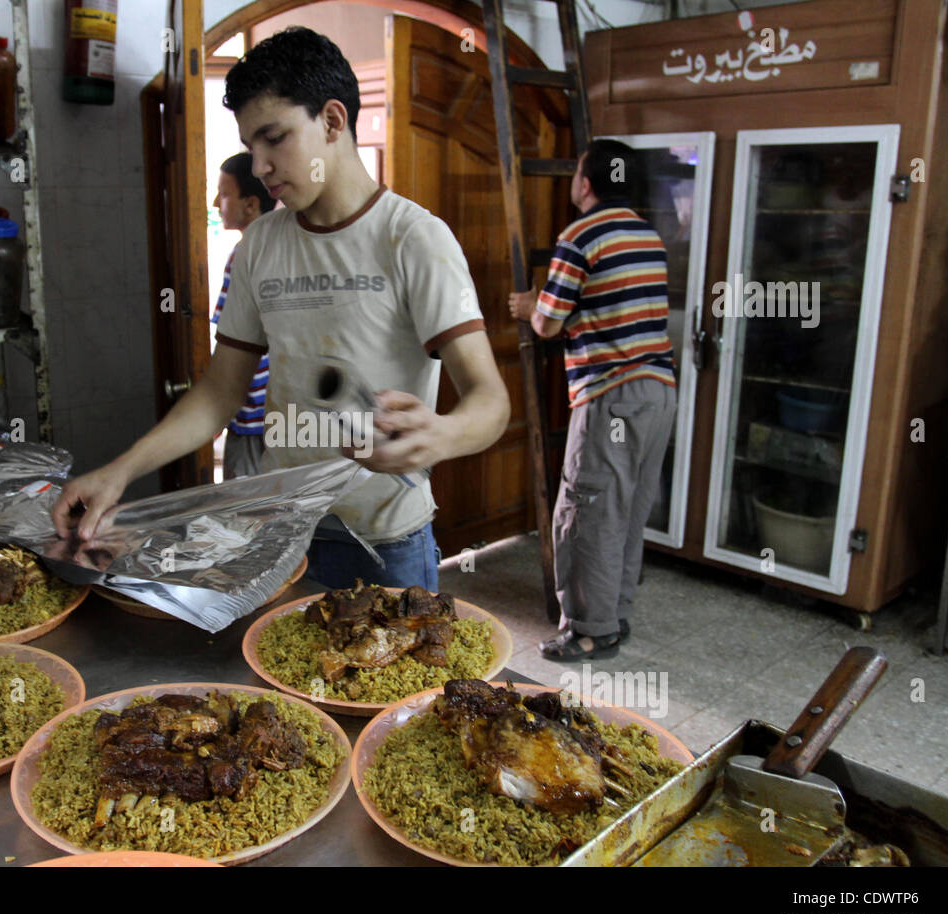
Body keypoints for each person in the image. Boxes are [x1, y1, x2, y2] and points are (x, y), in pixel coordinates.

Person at [53, 26, 509, 591]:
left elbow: (490, 402)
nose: (262, 166)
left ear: (333, 121)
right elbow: (220, 394)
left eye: (275, 138)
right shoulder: (261, 245)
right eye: (252, 148)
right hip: (282, 529)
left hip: (385, 540)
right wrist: (118, 473)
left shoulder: (412, 238)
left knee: (393, 678)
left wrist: (438, 435)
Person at [508, 139, 676, 661]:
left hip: (611, 397)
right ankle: (614, 615)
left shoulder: (581, 235)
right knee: (626, 510)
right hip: (659, 393)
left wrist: (530, 304)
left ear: (585, 182)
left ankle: (589, 630)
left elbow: (548, 323)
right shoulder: (648, 235)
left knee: (588, 511)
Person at [211, 152, 276, 478]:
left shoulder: (245, 254)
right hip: (283, 421)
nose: (214, 203)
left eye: (223, 194)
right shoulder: (280, 246)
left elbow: (234, 354)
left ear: (251, 204)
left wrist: (216, 414)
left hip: (250, 420)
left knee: (244, 521)